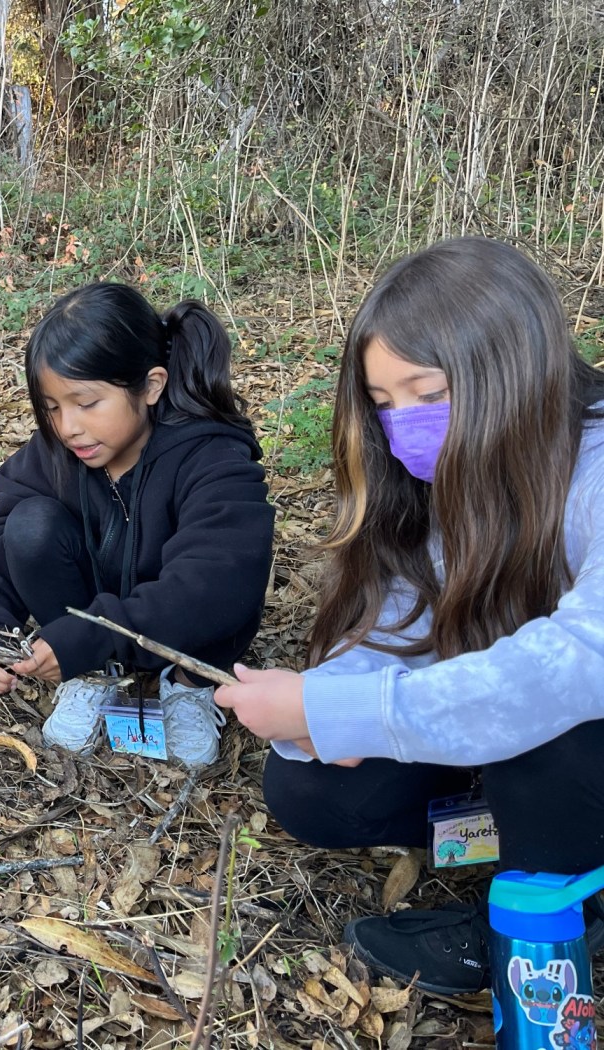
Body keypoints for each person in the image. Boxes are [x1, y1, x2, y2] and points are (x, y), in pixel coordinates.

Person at [214, 237, 604, 995]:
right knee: (316, 790)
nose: (405, 427)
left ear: (509, 372)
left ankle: (540, 927)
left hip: (574, 734)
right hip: (511, 749)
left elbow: (577, 665)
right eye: (386, 404)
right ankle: (535, 850)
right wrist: (326, 707)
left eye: (428, 395)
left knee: (545, 743)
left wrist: (368, 710)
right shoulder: (453, 470)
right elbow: (401, 621)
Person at [0, 282, 274, 760]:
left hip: (187, 628)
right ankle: (88, 676)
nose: (68, 427)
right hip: (92, 626)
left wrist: (94, 635)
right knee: (31, 525)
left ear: (151, 386)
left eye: (86, 404)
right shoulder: (52, 458)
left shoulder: (212, 458)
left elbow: (214, 583)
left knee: (223, 580)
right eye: (53, 408)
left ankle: (189, 684)